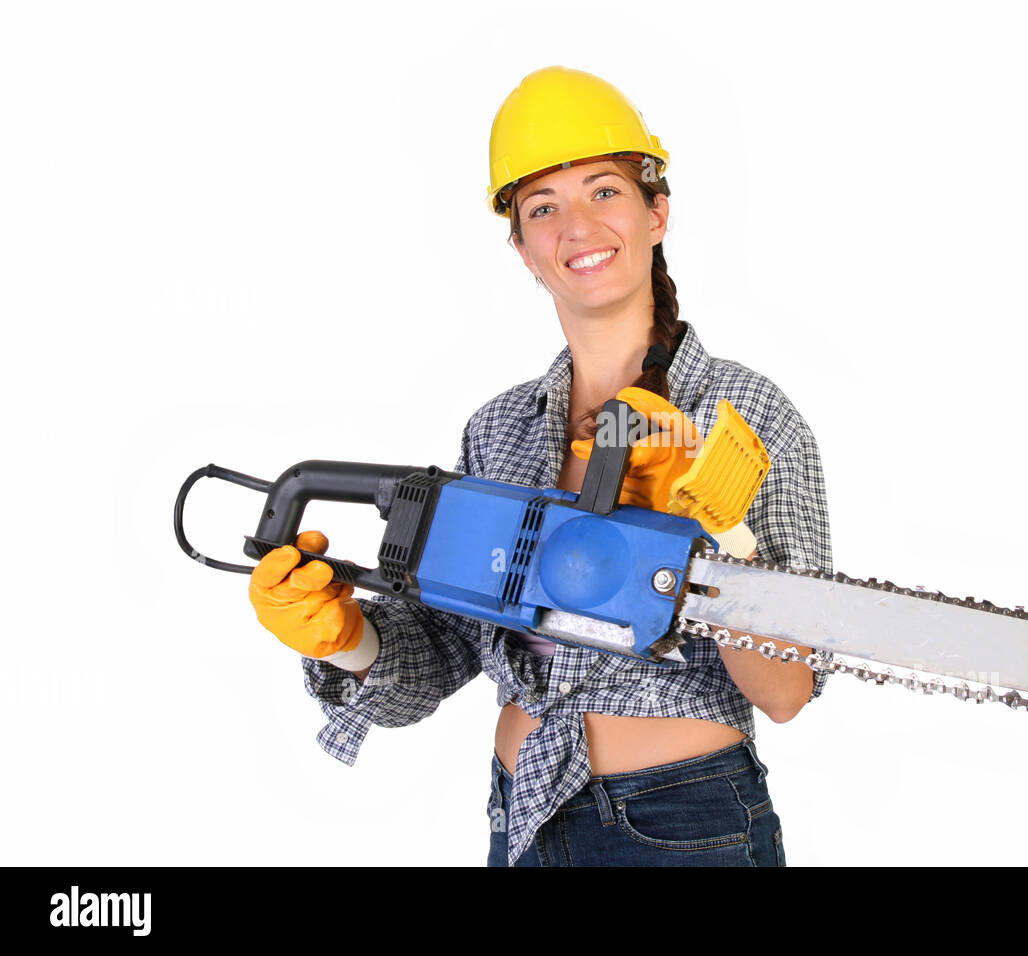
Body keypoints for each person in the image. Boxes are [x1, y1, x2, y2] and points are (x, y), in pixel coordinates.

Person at [248, 65, 833, 867]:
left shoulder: (746, 414)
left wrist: (720, 534)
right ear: (522, 246)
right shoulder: (498, 430)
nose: (577, 227)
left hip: (685, 823)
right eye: (543, 208)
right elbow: (444, 652)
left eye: (604, 191)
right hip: (522, 816)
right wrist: (346, 639)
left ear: (656, 211)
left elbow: (786, 693)